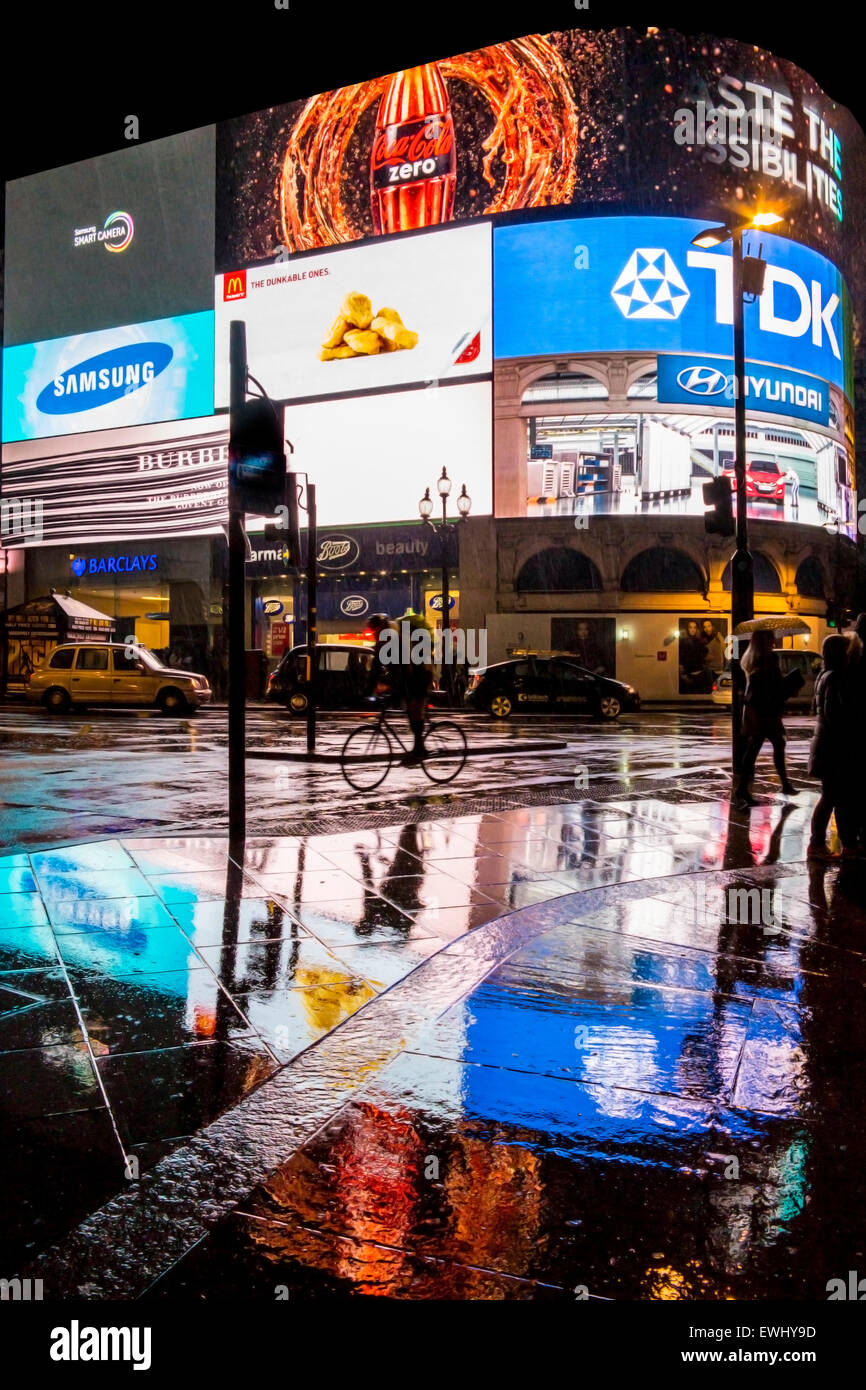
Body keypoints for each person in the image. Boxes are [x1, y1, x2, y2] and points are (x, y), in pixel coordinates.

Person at [735, 629, 803, 807]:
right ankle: (781, 785)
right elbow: (774, 686)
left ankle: (745, 788)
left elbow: (761, 686)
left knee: (757, 748)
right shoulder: (769, 659)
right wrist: (790, 683)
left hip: (759, 710)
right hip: (767, 712)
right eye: (771, 636)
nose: (775, 639)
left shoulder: (751, 659)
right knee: (771, 746)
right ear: (765, 640)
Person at [807, 634, 857, 859]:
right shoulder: (835, 677)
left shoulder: (824, 675)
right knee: (831, 797)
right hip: (832, 748)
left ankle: (826, 843)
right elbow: (834, 715)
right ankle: (816, 844)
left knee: (832, 796)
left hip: (825, 745)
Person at [366, 611, 433, 766]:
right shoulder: (382, 640)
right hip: (409, 673)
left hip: (421, 671)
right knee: (410, 711)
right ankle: (418, 749)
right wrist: (368, 690)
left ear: (383, 626)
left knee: (415, 709)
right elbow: (376, 667)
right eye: (373, 631)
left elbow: (405, 668)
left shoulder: (398, 637)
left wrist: (395, 688)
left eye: (377, 630)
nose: (376, 634)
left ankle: (419, 750)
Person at [679, 620, 705, 694]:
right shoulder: (683, 641)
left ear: (697, 629)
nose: (693, 629)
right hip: (688, 675)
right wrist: (683, 674)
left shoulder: (699, 641)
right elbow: (681, 658)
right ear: (687, 629)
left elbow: (704, 653)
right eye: (690, 627)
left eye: (694, 627)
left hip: (699, 673)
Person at [700, 618, 725, 691]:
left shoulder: (718, 636)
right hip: (709, 670)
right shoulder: (703, 639)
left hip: (719, 670)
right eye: (704, 627)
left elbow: (725, 650)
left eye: (709, 626)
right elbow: (703, 656)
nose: (707, 629)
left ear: (712, 626)